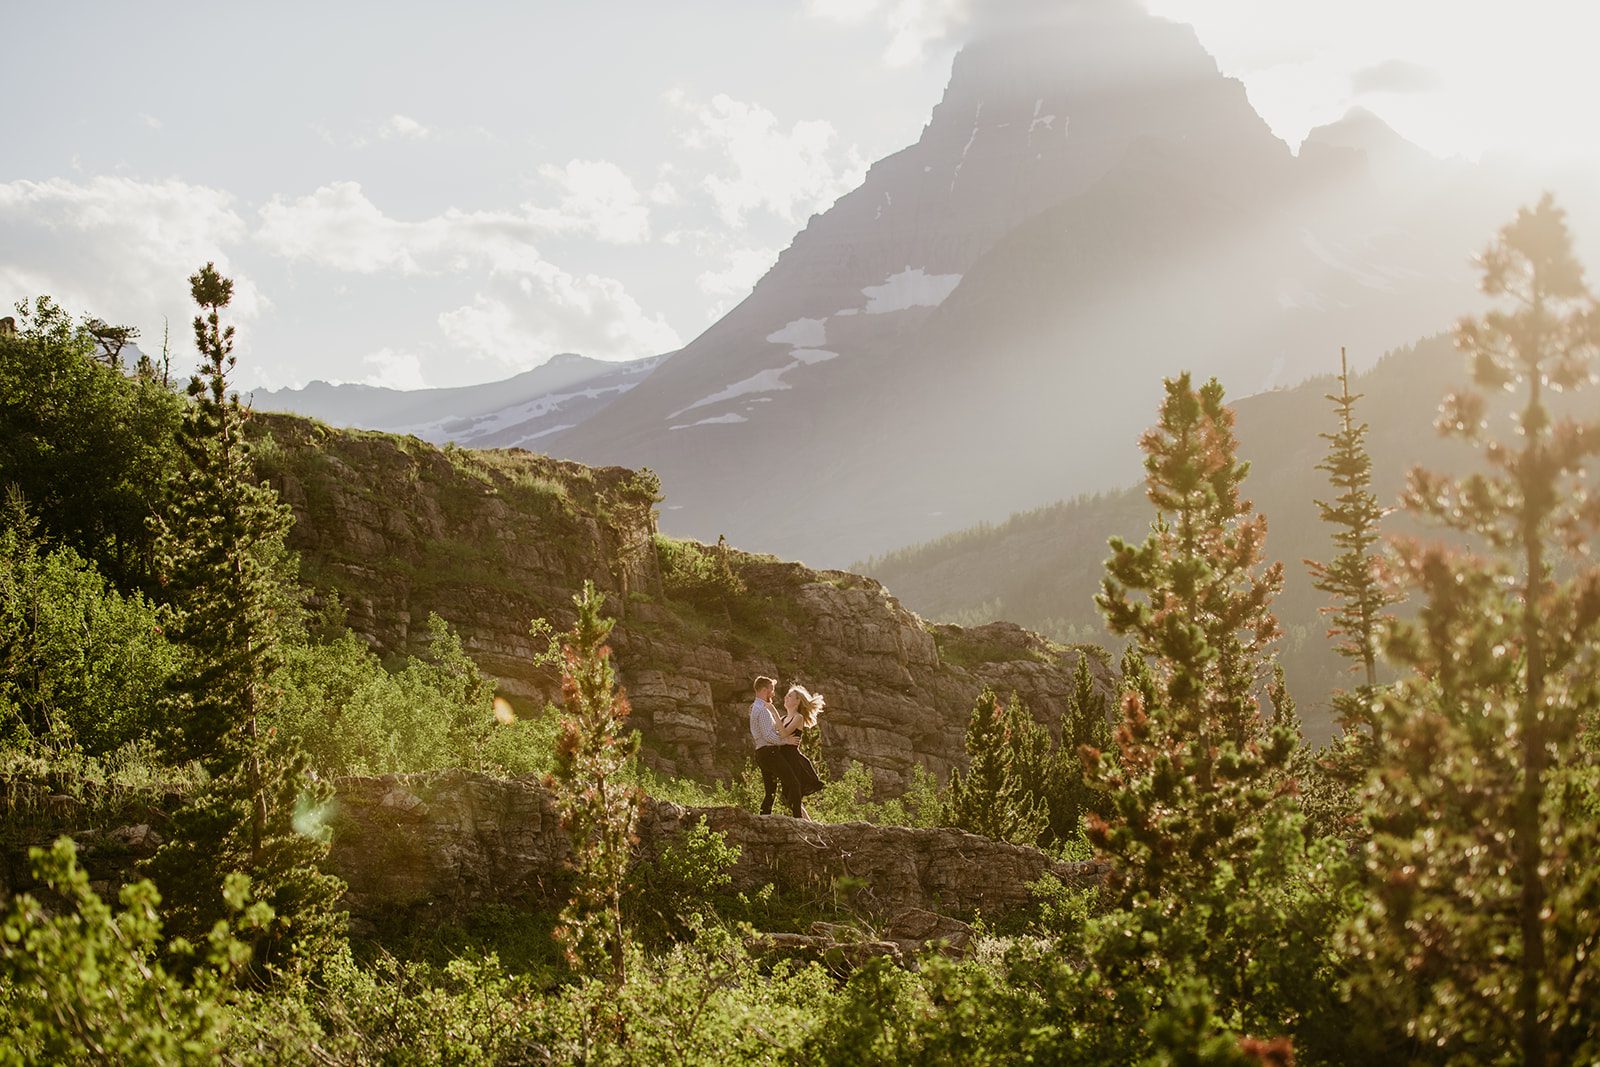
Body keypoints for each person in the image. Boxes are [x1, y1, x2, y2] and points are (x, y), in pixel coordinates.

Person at [750, 676, 804, 817]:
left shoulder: (756, 708)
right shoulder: (762, 710)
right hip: (770, 753)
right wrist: (786, 741)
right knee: (794, 784)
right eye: (771, 690)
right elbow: (769, 736)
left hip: (761, 753)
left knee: (770, 792)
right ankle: (799, 821)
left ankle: (763, 820)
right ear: (764, 690)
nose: (773, 693)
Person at [778, 684, 827, 809]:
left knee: (794, 798)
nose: (785, 697)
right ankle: (810, 825)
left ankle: (808, 825)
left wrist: (772, 713)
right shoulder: (783, 718)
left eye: (790, 696)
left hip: (794, 761)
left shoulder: (798, 718)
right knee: (791, 800)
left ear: (797, 701)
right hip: (783, 760)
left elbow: (783, 733)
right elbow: (774, 736)